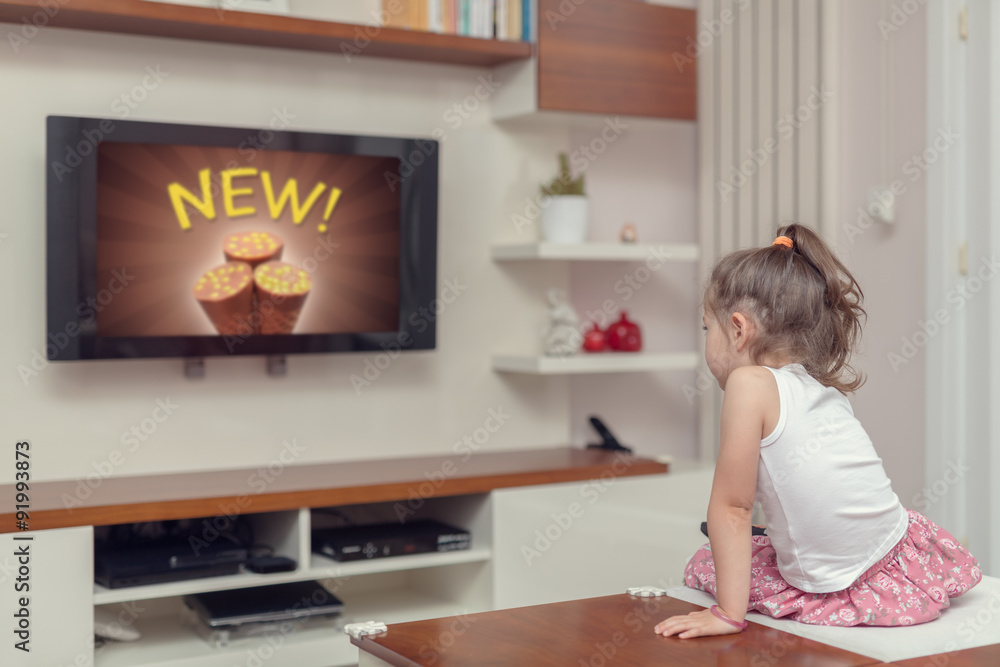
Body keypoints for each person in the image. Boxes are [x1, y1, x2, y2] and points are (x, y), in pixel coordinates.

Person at [655, 224, 982, 639]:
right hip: (900, 564)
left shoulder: (747, 384)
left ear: (738, 330)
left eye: (707, 328)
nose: (706, 340)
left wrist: (727, 614)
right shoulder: (817, 386)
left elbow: (733, 509)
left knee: (704, 562)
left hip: (845, 584)